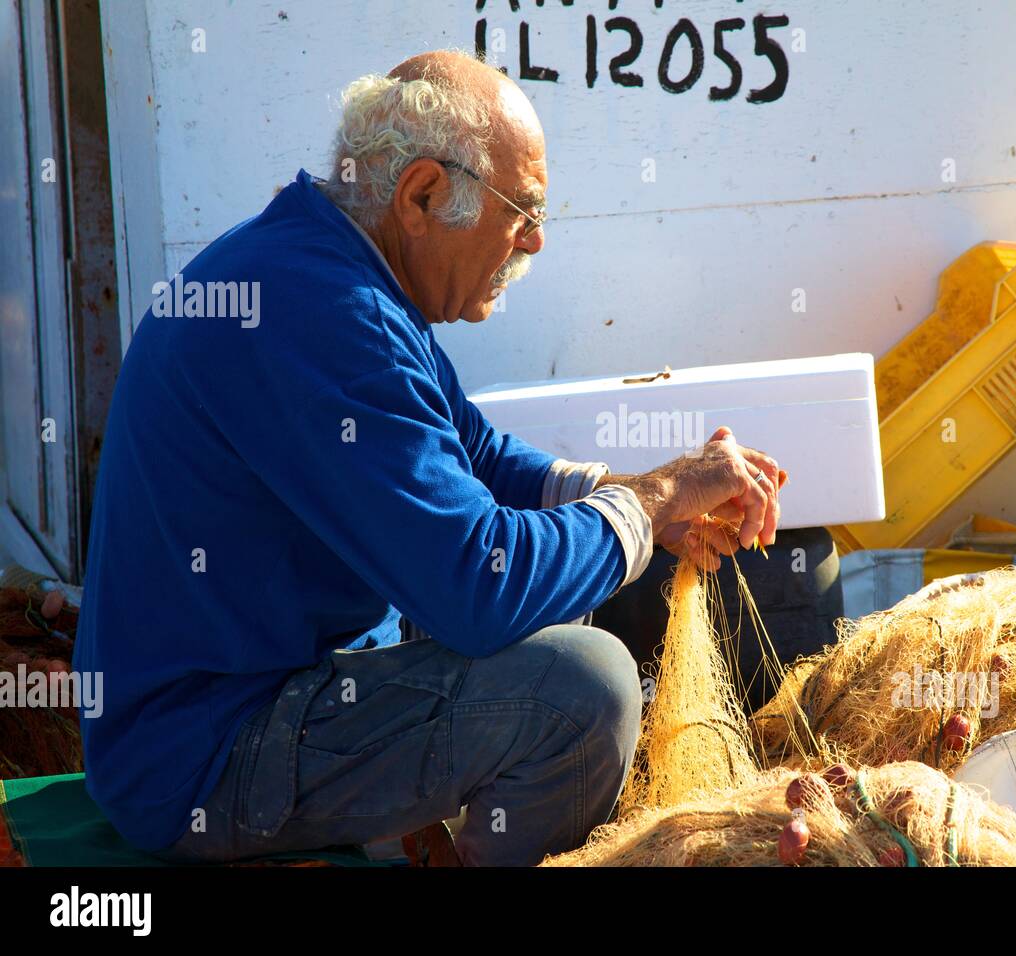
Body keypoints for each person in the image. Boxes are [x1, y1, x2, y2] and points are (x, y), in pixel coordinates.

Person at [74, 50, 781, 866]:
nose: (537, 241)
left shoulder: (324, 265)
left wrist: (637, 497)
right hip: (207, 759)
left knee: (580, 577)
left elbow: (471, 453)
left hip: (237, 710)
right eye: (525, 209)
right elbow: (476, 587)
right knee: (581, 689)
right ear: (421, 195)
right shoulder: (330, 313)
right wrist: (652, 501)